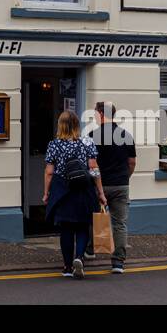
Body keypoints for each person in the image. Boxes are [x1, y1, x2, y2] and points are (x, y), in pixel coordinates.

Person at [44, 109, 107, 279]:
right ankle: (79, 257)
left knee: (66, 228)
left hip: (62, 190)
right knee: (82, 226)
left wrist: (46, 193)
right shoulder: (87, 142)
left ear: (60, 126)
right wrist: (100, 192)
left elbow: (49, 172)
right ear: (77, 125)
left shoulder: (54, 144)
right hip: (84, 189)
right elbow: (94, 169)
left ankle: (66, 266)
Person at [87, 102, 135, 274]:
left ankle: (91, 250)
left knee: (94, 218)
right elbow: (132, 162)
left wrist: (96, 185)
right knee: (119, 223)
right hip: (121, 185)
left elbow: (91, 165)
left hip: (99, 184)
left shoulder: (92, 136)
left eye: (95, 113)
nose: (94, 117)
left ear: (101, 113)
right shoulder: (126, 135)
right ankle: (118, 262)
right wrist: (125, 178)